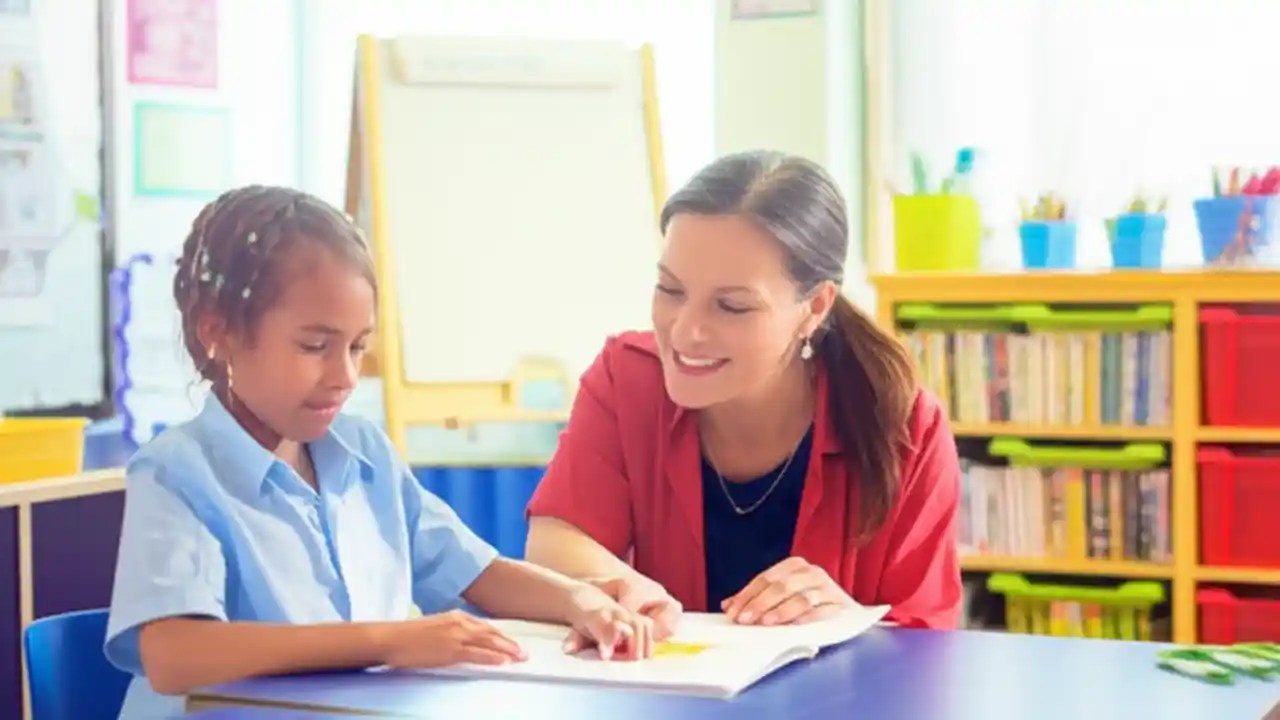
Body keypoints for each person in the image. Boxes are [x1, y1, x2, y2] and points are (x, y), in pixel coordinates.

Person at [104, 186, 654, 720]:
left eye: (358, 346)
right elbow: (173, 654)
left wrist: (578, 600)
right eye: (314, 347)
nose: (344, 376)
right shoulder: (178, 472)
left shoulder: (363, 452)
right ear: (216, 335)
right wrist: (390, 641)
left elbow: (478, 573)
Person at [525, 151, 962, 635]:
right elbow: (556, 538)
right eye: (670, 290)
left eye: (732, 307)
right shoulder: (627, 379)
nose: (686, 332)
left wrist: (848, 623)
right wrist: (626, 591)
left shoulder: (903, 424)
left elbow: (927, 637)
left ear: (813, 307)